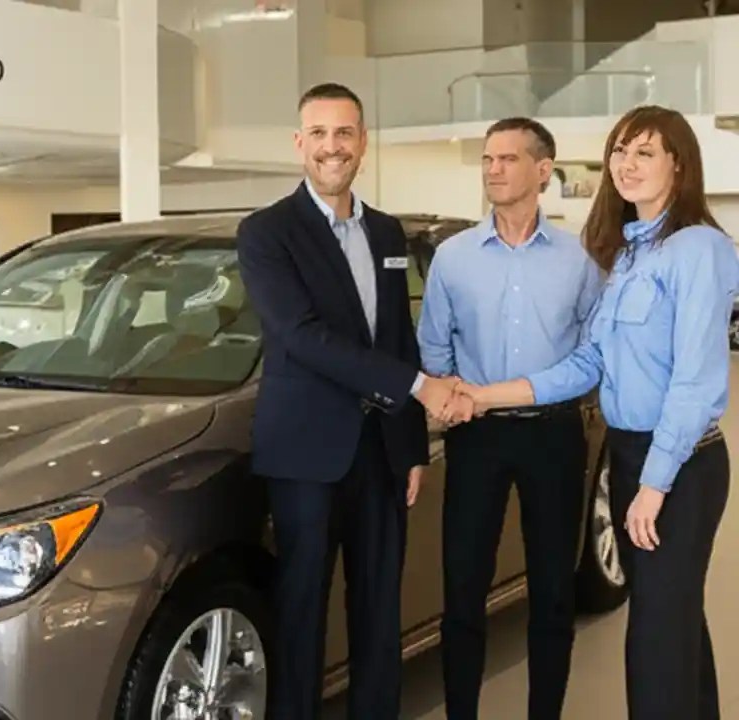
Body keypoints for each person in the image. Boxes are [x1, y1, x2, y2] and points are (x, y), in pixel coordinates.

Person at [457, 104, 738, 720]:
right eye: (619, 151)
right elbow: (587, 365)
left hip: (681, 465)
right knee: (678, 629)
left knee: (654, 647)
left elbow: (694, 383)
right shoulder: (630, 254)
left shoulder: (700, 250)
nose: (627, 164)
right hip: (636, 455)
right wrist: (484, 394)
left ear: (679, 164)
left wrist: (653, 486)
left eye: (646, 152)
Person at [236, 81, 459, 720]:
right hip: (307, 453)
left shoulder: (386, 233)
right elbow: (301, 337)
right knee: (302, 612)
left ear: (362, 143)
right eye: (319, 134)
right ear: (299, 144)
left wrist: (413, 443)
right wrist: (420, 388)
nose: (332, 148)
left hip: (382, 451)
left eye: (345, 134)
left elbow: (398, 337)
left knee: (379, 612)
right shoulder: (267, 233)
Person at [416, 117, 602, 720]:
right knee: (463, 594)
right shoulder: (453, 258)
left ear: (543, 171)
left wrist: (493, 392)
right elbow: (434, 352)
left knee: (552, 593)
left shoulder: (579, 260)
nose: (492, 169)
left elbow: (592, 357)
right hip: (475, 441)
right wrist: (453, 397)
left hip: (554, 437)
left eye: (507, 158)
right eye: (487, 159)